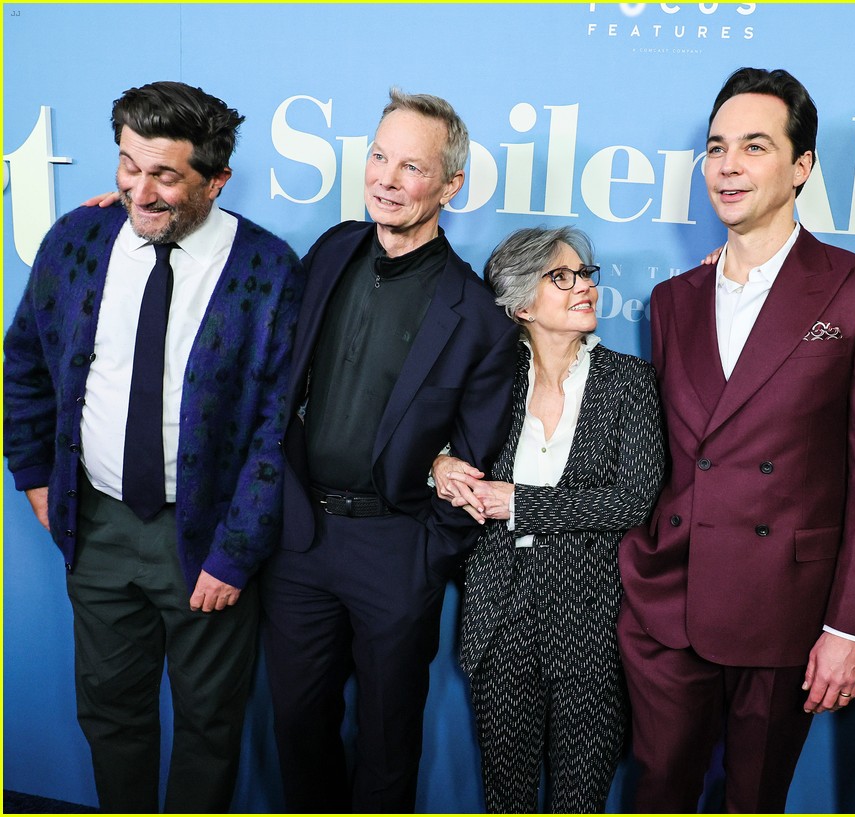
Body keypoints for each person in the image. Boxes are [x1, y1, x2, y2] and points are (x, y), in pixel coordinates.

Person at [3, 81, 302, 812]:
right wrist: (38, 476)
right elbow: (25, 364)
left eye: (165, 175)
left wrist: (234, 551)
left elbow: (278, 426)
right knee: (110, 715)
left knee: (209, 723)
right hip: (98, 525)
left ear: (215, 180)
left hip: (204, 539)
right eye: (129, 165)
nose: (141, 189)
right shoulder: (78, 238)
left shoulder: (266, 268)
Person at [616, 67, 855, 812]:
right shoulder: (672, 299)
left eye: (754, 146)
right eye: (716, 148)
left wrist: (851, 626)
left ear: (801, 166)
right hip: (669, 602)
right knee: (658, 795)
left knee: (753, 800)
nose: (729, 166)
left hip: (786, 608)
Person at [260, 89, 518, 813]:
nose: (386, 177)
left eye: (411, 166)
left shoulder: (479, 319)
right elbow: (244, 297)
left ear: (449, 185)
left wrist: (424, 557)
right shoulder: (334, 247)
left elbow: (474, 463)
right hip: (301, 539)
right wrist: (138, 223)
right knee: (296, 723)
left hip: (395, 549)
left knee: (385, 740)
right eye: (379, 156)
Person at [430, 226, 665, 812]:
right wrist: (439, 465)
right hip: (500, 610)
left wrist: (521, 502)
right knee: (505, 797)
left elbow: (634, 499)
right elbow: (417, 443)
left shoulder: (628, 381)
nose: (584, 287)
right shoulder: (486, 379)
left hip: (593, 619)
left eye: (585, 274)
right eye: (561, 277)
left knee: (581, 798)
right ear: (520, 304)